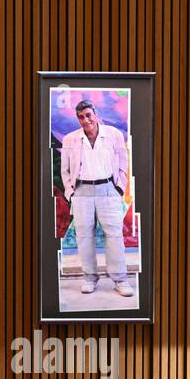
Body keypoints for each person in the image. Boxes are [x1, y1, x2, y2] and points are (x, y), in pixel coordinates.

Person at [59, 99, 133, 298]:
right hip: (82, 190)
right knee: (84, 237)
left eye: (88, 115)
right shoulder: (70, 139)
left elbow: (123, 162)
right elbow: (65, 170)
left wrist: (118, 187)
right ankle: (90, 278)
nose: (86, 120)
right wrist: (71, 192)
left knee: (114, 235)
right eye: (81, 117)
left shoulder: (114, 135)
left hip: (108, 188)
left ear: (96, 114)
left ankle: (120, 279)